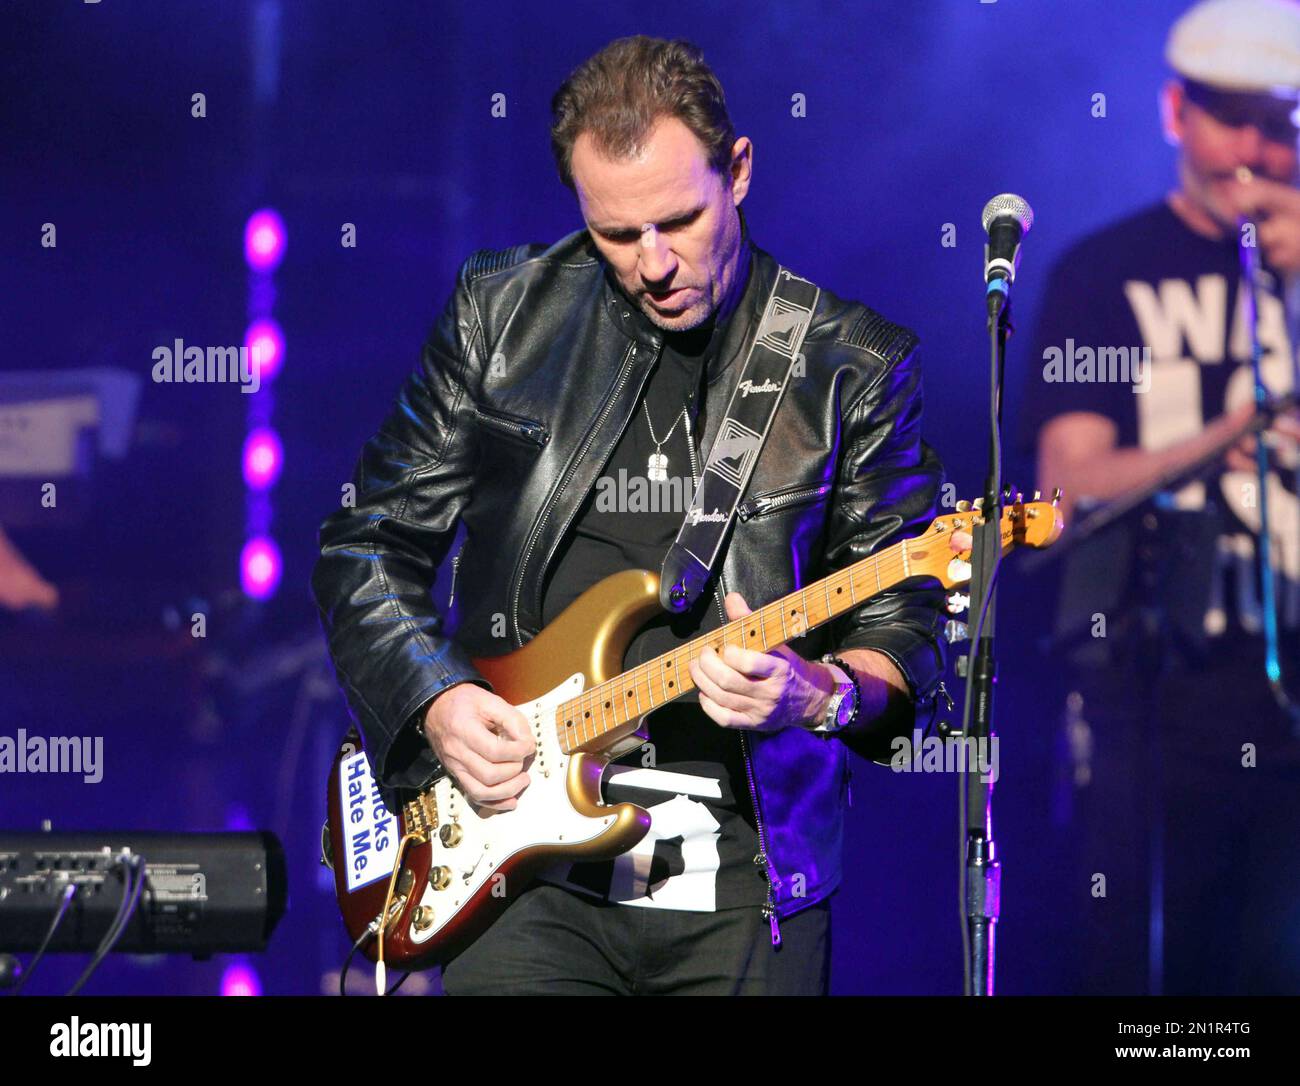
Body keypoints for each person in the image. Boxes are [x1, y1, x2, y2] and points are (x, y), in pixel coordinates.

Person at [312, 35, 953, 995]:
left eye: (679, 220)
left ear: (737, 172)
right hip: (520, 872)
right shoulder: (503, 316)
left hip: (746, 878)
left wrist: (818, 693)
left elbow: (909, 623)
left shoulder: (847, 366)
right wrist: (434, 701)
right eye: (616, 235)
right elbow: (366, 545)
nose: (653, 263)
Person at [1021, 0, 1300, 995]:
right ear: (1175, 112)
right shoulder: (1106, 272)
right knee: (1148, 964)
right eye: (1231, 116)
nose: (1256, 149)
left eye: (1279, 122)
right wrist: (1236, 428)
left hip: (1293, 666)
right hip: (1158, 670)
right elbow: (1065, 485)